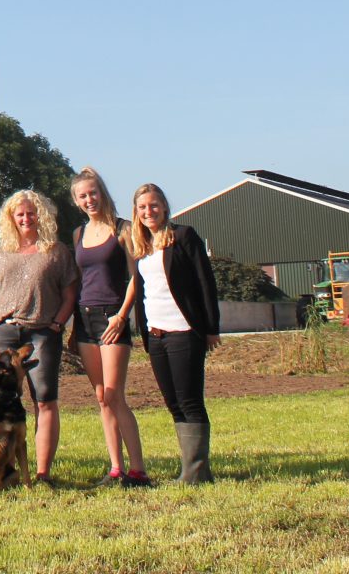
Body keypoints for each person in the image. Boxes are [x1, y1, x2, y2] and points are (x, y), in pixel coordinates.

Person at [0, 189, 78, 488]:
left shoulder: (56, 251)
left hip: (41, 330)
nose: (25, 218)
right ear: (11, 218)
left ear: (40, 215)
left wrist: (58, 323)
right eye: (19, 214)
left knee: (44, 399)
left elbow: (70, 294)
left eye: (31, 213)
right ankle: (0, 470)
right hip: (4, 329)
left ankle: (42, 472)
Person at [125, 182, 221, 485]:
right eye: (142, 207)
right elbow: (142, 292)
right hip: (156, 335)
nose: (148, 211)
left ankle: (195, 472)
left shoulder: (183, 236)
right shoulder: (141, 246)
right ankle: (193, 470)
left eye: (153, 205)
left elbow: (205, 283)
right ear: (136, 213)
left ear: (164, 207)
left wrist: (210, 328)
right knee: (173, 402)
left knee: (190, 399)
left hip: (184, 331)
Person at [69, 166, 150, 487]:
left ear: (102, 192)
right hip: (85, 319)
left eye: (93, 193)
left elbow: (135, 278)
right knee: (101, 397)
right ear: (76, 201)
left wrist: (121, 316)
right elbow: (78, 281)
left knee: (116, 395)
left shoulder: (124, 229)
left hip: (112, 318)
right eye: (82, 195)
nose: (89, 199)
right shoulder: (78, 234)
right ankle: (116, 468)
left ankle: (139, 470)